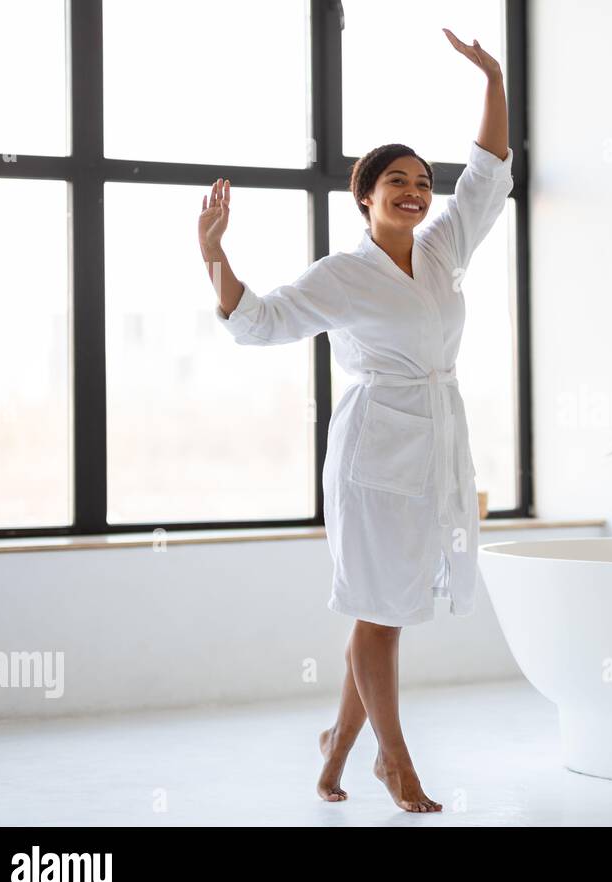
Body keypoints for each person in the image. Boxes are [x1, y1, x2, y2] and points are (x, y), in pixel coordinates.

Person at [196, 28, 512, 813]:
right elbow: (261, 321)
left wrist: (494, 79)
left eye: (419, 181)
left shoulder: (441, 250)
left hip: (434, 444)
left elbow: (487, 177)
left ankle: (334, 758)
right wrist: (215, 257)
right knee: (381, 611)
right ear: (364, 198)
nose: (414, 190)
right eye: (394, 181)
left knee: (390, 611)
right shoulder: (344, 276)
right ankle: (396, 763)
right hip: (374, 453)